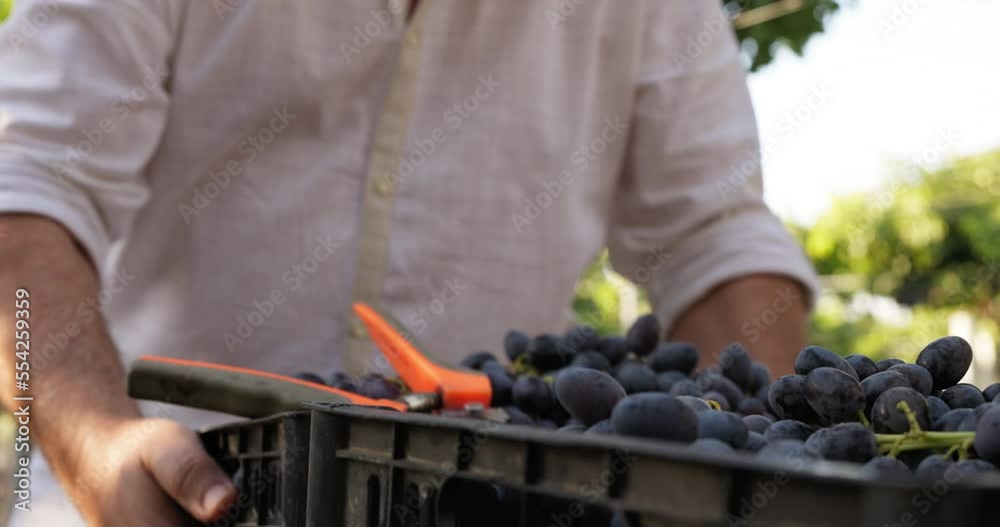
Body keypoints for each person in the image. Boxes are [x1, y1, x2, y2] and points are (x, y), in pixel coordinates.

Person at [0, 0, 819, 524]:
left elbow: (717, 243)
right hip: (140, 500)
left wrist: (728, 469)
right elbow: (21, 189)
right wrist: (96, 441)